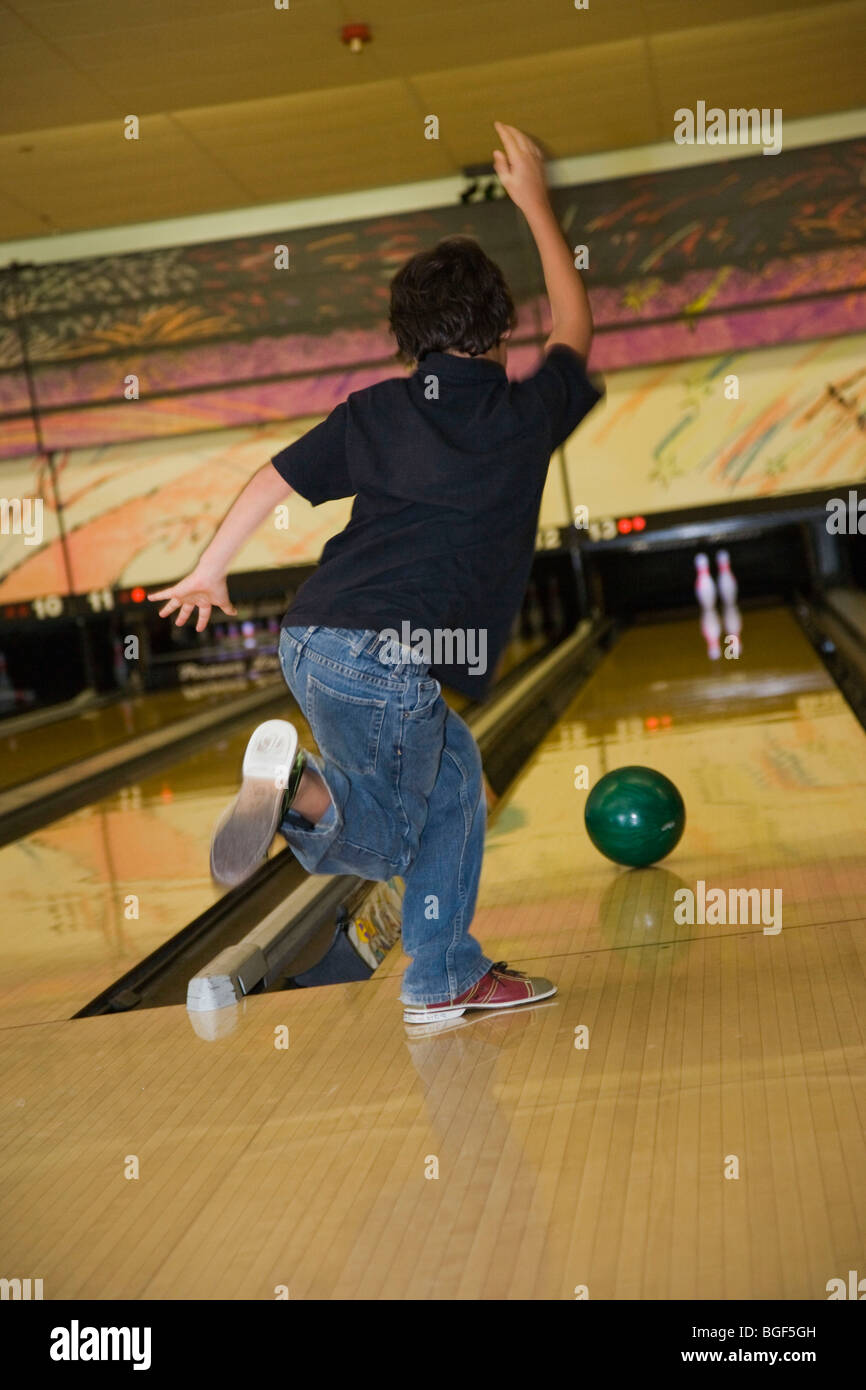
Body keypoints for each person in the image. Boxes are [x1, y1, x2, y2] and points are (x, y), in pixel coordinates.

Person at [149, 122, 604, 1023]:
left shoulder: (376, 412)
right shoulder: (523, 417)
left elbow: (274, 478)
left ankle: (444, 975)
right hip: (387, 662)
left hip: (314, 637)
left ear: (407, 342)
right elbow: (578, 329)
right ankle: (299, 795)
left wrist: (209, 570)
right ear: (503, 328)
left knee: (455, 777)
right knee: (391, 832)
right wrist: (536, 207)